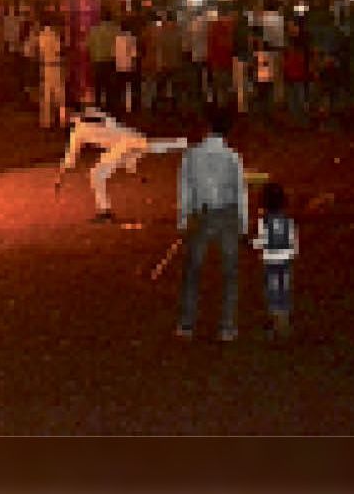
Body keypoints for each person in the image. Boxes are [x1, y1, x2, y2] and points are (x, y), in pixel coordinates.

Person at [175, 104, 249, 343]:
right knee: (230, 272)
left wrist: (184, 218)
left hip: (202, 214)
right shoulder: (232, 157)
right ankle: (227, 326)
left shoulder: (192, 155)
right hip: (227, 214)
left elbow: (185, 190)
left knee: (192, 271)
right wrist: (244, 224)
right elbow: (241, 192)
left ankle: (187, 324)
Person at [56, 108, 186, 222]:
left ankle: (105, 210)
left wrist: (61, 174)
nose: (63, 117)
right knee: (149, 146)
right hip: (126, 139)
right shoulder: (90, 116)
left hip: (123, 143)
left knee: (98, 173)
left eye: (64, 114)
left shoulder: (80, 128)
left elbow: (70, 159)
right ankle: (182, 143)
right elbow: (110, 123)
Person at [251, 181, 298, 340]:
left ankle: (275, 320)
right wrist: (292, 253)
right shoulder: (288, 220)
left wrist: (253, 244)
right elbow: (292, 240)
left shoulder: (264, 221)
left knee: (272, 289)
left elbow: (261, 240)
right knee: (284, 287)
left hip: (270, 259)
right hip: (285, 260)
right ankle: (284, 317)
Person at [27, 16, 68, 130]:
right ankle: (62, 121)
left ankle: (46, 122)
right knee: (60, 96)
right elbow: (59, 51)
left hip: (46, 67)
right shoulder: (55, 36)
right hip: (56, 66)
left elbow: (37, 53)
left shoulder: (41, 37)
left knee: (46, 95)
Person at [86, 11, 121, 115]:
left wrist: (92, 57)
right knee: (110, 88)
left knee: (98, 88)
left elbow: (89, 46)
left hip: (97, 61)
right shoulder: (116, 30)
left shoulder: (94, 30)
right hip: (111, 62)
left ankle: (98, 109)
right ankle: (110, 111)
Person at [113, 17, 139, 115]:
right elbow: (133, 54)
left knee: (120, 87)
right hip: (128, 65)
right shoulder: (131, 39)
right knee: (128, 87)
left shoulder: (117, 38)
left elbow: (114, 52)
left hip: (119, 65)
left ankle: (120, 105)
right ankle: (128, 106)